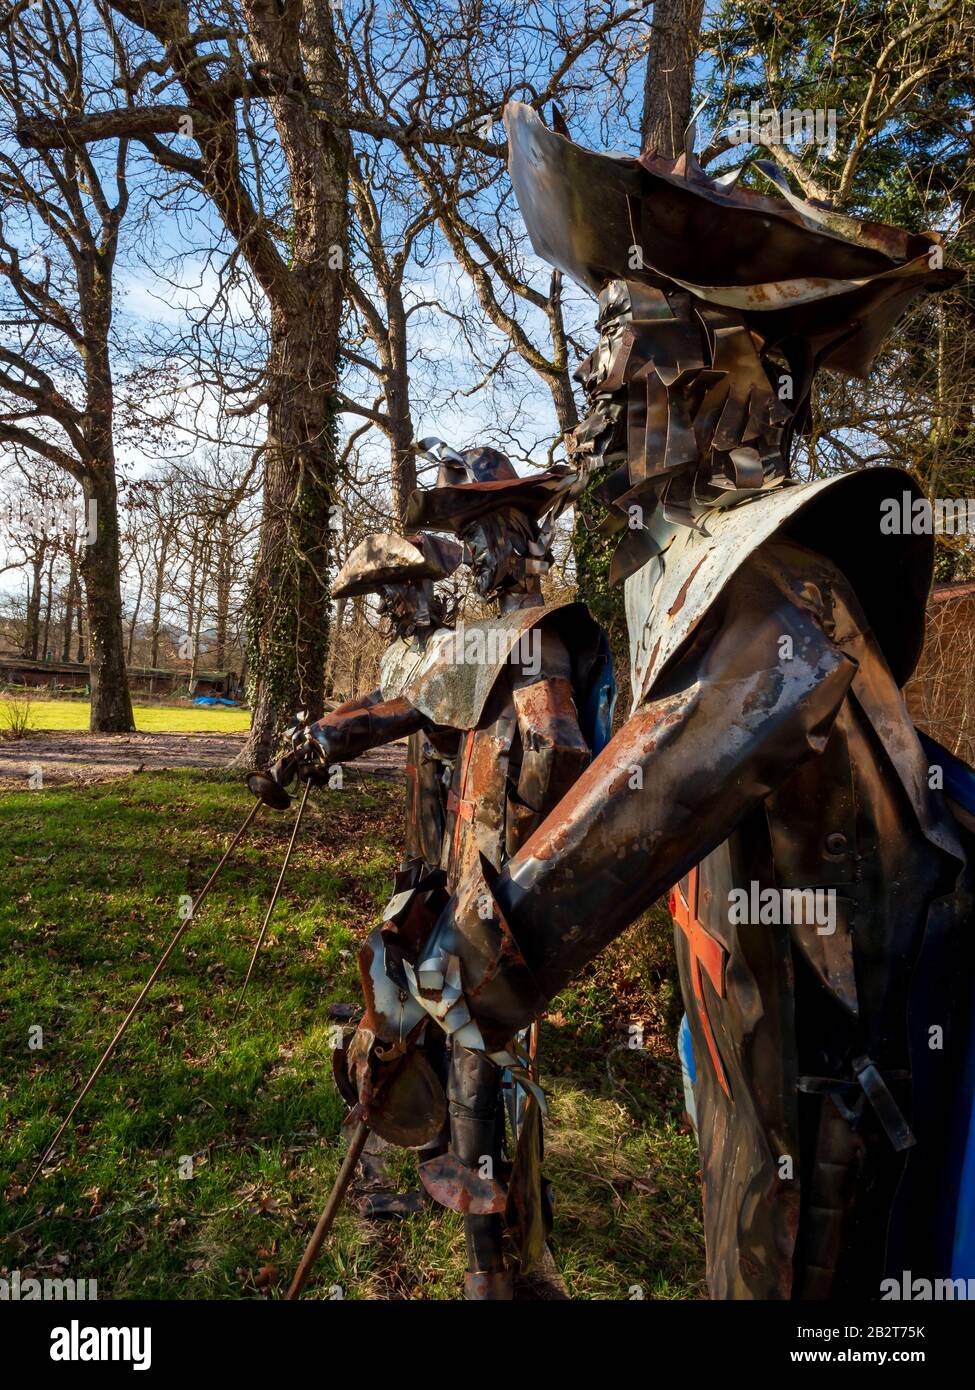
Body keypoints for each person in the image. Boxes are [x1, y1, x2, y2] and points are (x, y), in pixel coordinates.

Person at [385, 104, 975, 1300]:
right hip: (765, 1105)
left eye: (629, 340)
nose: (598, 383)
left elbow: (682, 753)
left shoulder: (775, 585)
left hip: (853, 1161)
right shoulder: (706, 581)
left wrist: (447, 975)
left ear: (723, 372)